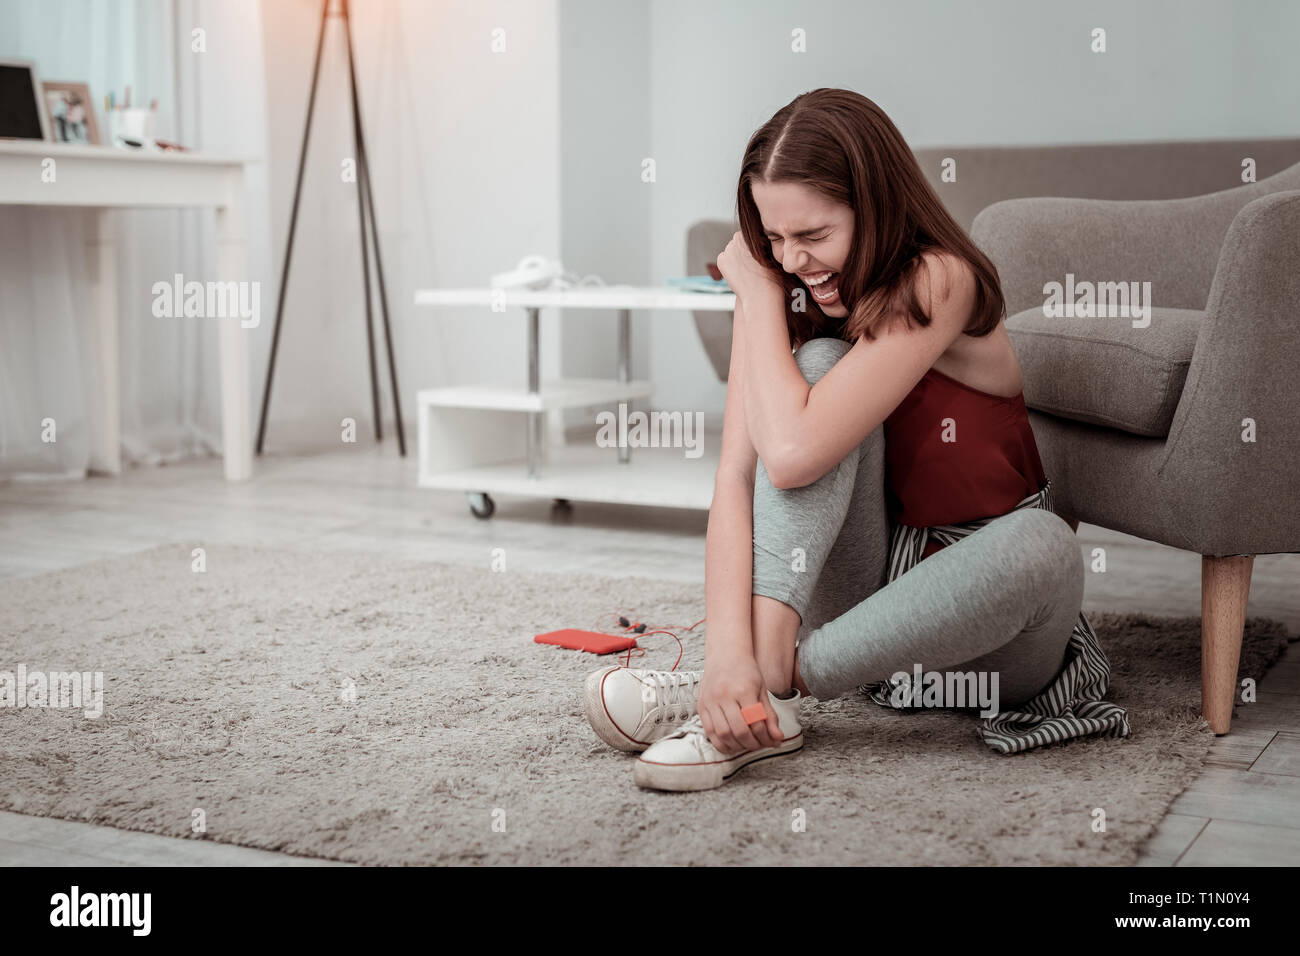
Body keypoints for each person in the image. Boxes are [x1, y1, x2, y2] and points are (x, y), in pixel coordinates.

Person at [583, 88, 1125, 792]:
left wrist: (751, 294)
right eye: (774, 241)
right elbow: (735, 482)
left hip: (988, 625)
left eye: (813, 235)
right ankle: (750, 690)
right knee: (816, 365)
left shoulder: (939, 278)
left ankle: (772, 685)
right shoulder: (785, 294)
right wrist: (725, 655)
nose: (792, 259)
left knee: (1045, 546)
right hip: (869, 610)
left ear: (876, 204)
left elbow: (795, 451)